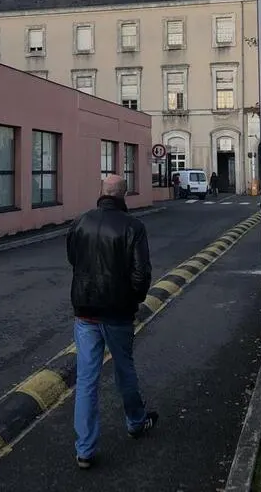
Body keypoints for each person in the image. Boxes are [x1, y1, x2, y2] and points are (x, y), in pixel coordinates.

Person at [66, 174, 158, 469]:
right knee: (124, 370)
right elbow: (141, 273)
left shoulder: (80, 221)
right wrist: (135, 298)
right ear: (123, 195)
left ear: (101, 193)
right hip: (118, 313)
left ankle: (85, 450)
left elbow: (73, 258)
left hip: (85, 311)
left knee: (86, 380)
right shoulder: (134, 227)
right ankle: (135, 421)